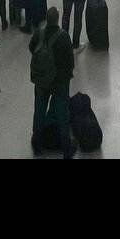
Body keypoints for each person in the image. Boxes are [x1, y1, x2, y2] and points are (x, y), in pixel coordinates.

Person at [29, 8, 75, 159]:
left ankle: (37, 144)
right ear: (57, 19)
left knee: (39, 110)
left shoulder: (39, 33)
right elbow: (69, 61)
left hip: (41, 80)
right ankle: (66, 149)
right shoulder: (63, 37)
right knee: (63, 114)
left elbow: (31, 48)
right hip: (59, 81)